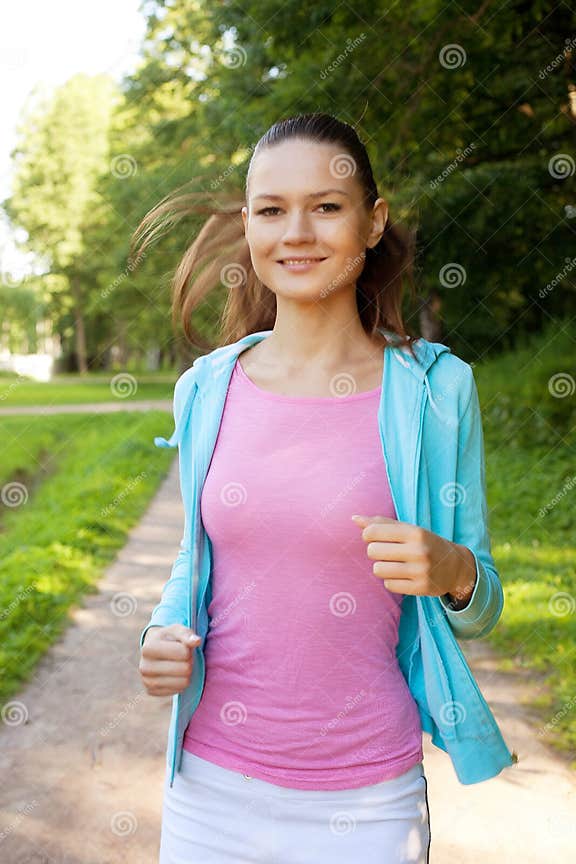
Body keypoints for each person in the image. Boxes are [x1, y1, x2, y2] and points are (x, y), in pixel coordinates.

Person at [133, 112, 516, 864]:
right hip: (209, 790)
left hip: (369, 800)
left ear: (373, 222)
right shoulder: (206, 388)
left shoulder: (437, 391)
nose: (297, 232)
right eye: (272, 210)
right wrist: (161, 630)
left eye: (327, 206)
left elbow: (481, 608)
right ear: (249, 227)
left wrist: (454, 572)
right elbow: (197, 557)